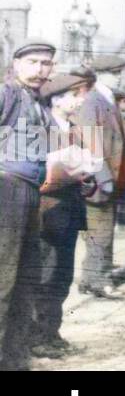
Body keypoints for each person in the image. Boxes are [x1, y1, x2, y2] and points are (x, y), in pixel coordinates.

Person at [0, 40, 57, 370]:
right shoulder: (7, 95)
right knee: (3, 281)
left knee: (25, 282)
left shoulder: (39, 104)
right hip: (6, 190)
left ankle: (15, 361)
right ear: (17, 64)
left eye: (46, 63)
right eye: (33, 62)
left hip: (31, 195)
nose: (40, 69)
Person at [31, 71, 96, 359]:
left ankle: (52, 333)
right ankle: (38, 339)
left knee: (61, 275)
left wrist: (87, 176)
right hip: (48, 212)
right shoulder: (41, 129)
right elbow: (37, 175)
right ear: (56, 100)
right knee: (45, 276)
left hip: (68, 212)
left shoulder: (72, 129)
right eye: (74, 95)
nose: (80, 99)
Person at [76, 57, 125, 300]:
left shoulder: (107, 100)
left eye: (119, 72)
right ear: (101, 74)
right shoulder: (94, 102)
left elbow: (121, 136)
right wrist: (104, 177)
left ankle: (90, 279)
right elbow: (91, 142)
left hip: (110, 177)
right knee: (101, 232)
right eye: (114, 72)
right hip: (99, 181)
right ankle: (101, 281)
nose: (119, 76)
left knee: (101, 230)